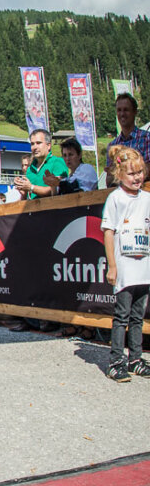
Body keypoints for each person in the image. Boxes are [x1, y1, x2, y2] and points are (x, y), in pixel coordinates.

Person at [100, 146, 150, 382]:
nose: (137, 177)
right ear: (119, 174)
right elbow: (108, 233)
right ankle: (116, 361)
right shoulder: (115, 199)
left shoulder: (147, 198)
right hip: (125, 268)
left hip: (144, 268)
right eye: (131, 173)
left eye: (140, 172)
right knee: (122, 316)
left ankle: (136, 359)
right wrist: (112, 266)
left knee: (138, 317)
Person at [106, 93, 150, 186]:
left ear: (135, 112)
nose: (122, 114)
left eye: (126, 110)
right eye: (119, 110)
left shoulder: (147, 138)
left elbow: (148, 171)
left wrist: (120, 174)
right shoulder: (112, 146)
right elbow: (109, 180)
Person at [14, 129, 67, 199]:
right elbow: (27, 199)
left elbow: (59, 189)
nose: (35, 147)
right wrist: (23, 191)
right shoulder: (30, 168)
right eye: (32, 144)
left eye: (38, 143)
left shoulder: (57, 162)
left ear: (48, 146)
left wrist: (31, 187)